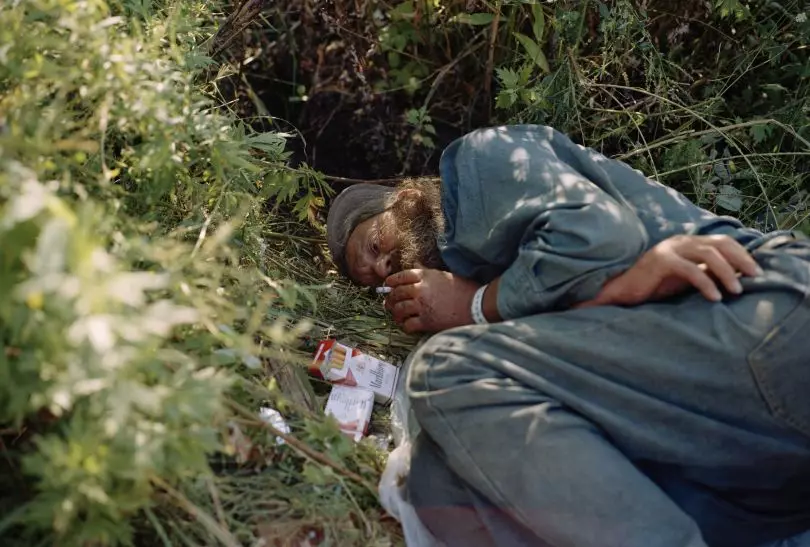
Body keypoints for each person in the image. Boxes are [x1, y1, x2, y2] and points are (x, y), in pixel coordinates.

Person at [325, 125, 810, 547]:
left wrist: (476, 306)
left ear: (401, 199)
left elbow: (599, 237)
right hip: (753, 461)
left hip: (753, 310)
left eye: (374, 245)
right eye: (374, 278)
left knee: (442, 371)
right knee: (439, 482)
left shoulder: (480, 162)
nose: (385, 267)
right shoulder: (524, 340)